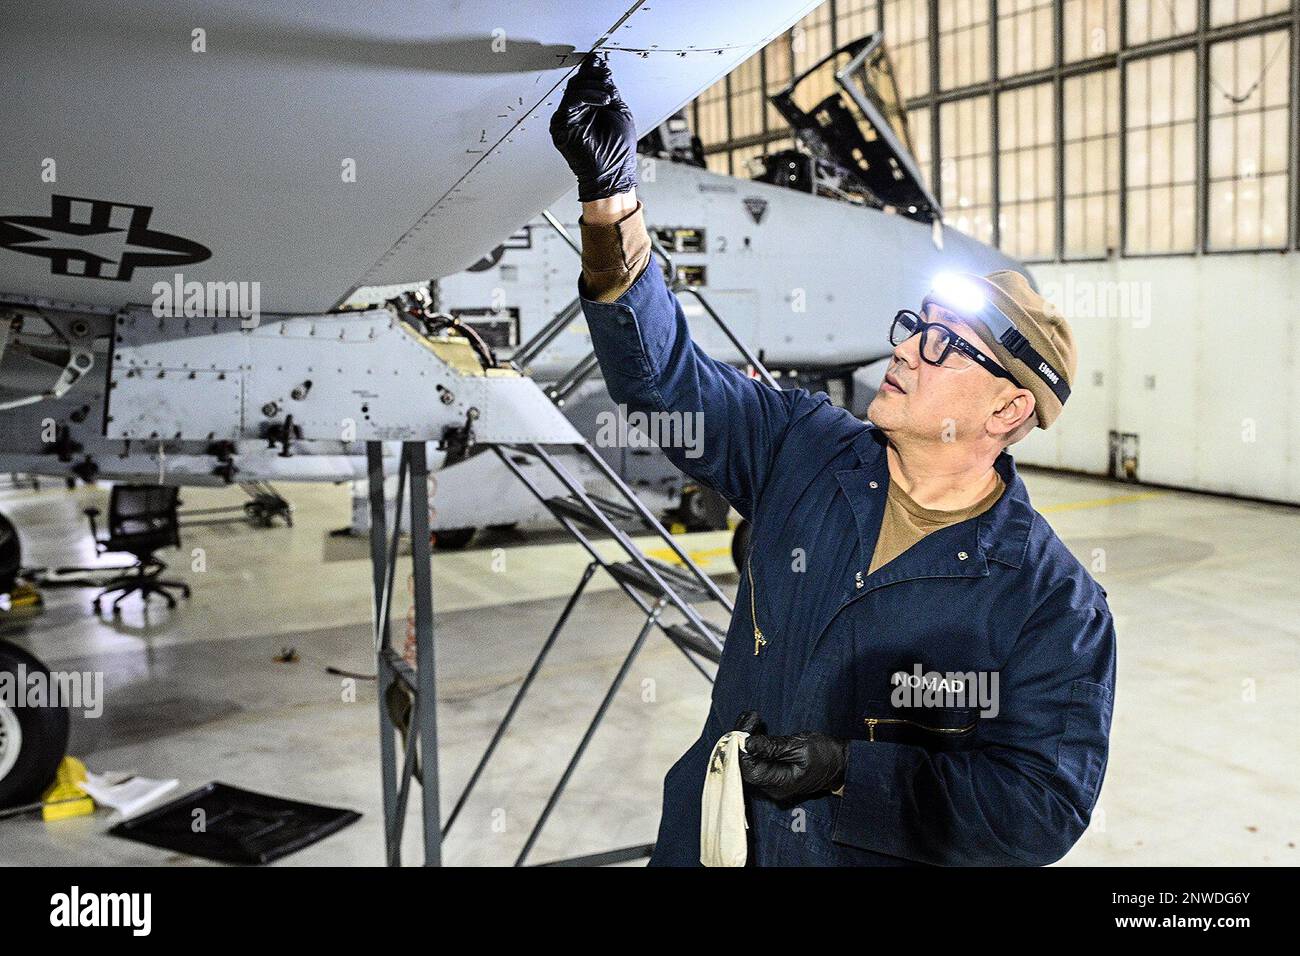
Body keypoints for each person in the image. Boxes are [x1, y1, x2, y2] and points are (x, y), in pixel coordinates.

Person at [549, 54, 1115, 866]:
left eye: (946, 345)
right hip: (712, 845)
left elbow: (1037, 808)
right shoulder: (803, 449)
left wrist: (851, 775)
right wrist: (611, 202)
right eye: (916, 325)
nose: (908, 350)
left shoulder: (1050, 604)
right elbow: (665, 386)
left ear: (1008, 408)